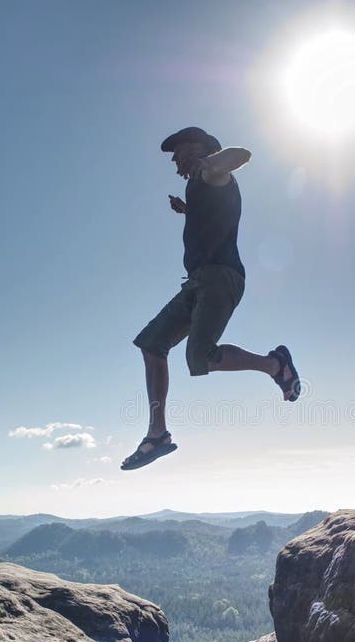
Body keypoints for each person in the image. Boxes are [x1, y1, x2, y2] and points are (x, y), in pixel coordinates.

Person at [121, 126, 300, 471]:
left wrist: (210, 162)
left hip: (221, 277)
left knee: (199, 358)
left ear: (198, 148)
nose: (176, 166)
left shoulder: (214, 173)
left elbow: (242, 155)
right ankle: (157, 435)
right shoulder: (201, 186)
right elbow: (215, 218)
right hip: (197, 282)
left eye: (179, 156)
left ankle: (275, 364)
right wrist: (188, 210)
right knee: (151, 344)